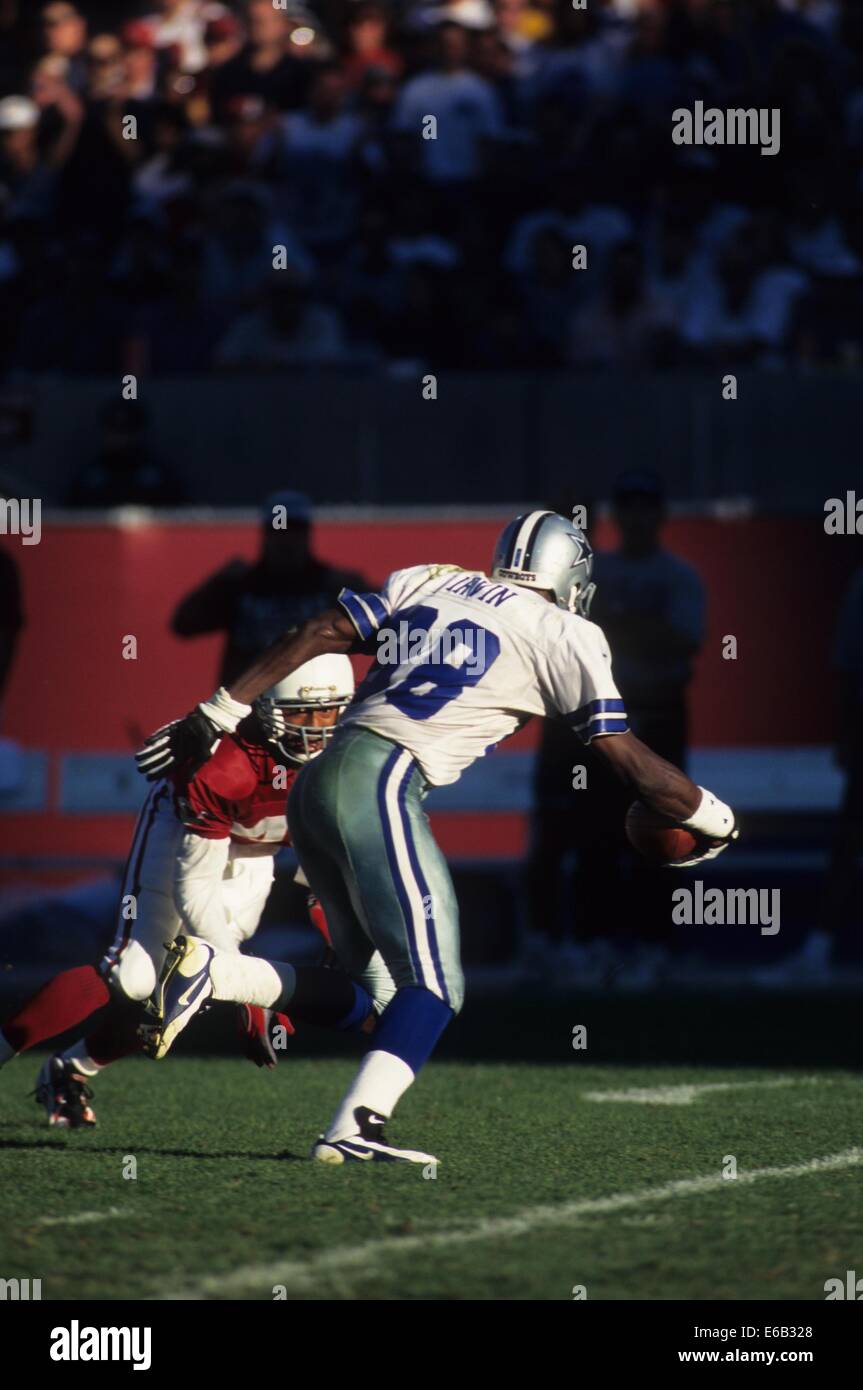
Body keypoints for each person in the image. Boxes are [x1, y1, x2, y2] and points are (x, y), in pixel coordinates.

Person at [134, 511, 737, 1164]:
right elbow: (629, 763)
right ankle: (353, 1129)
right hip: (381, 786)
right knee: (438, 984)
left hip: (314, 787)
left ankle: (221, 976)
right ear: (567, 571)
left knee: (385, 1001)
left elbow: (317, 629)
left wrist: (219, 709)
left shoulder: (431, 581)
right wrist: (713, 820)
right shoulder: (565, 631)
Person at [0, 656, 385, 1128]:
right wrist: (248, 992)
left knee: (181, 992)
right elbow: (194, 891)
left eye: (329, 712)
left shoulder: (346, 762)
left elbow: (323, 881)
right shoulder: (227, 767)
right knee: (134, 974)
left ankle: (70, 1071)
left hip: (254, 851)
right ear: (267, 711)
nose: (316, 728)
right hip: (184, 834)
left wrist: (340, 951)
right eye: (303, 713)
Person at [171, 491, 369, 687]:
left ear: (307, 534)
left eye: (294, 531)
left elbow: (383, 621)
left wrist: (354, 589)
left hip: (315, 699)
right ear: (265, 535)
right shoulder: (240, 585)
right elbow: (183, 625)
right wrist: (217, 582)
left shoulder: (332, 586)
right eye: (279, 531)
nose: (287, 541)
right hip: (248, 703)